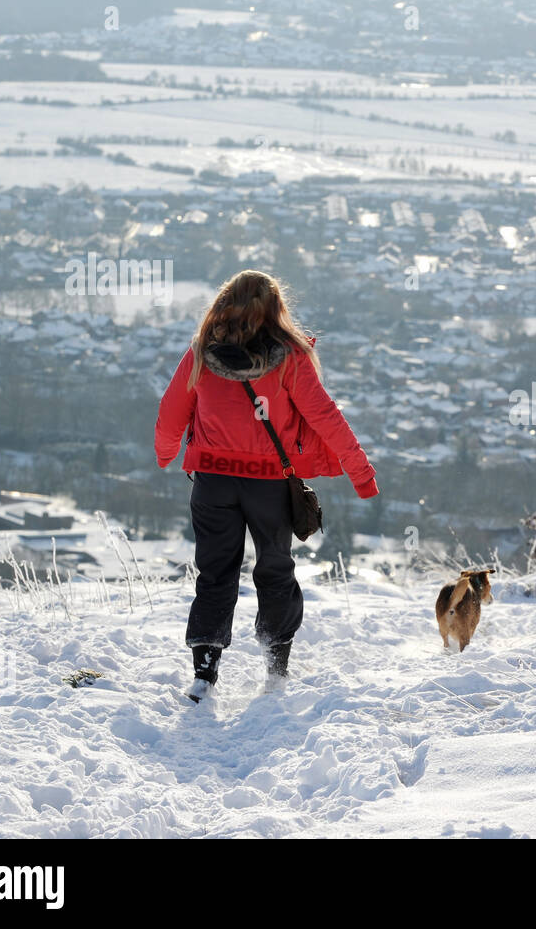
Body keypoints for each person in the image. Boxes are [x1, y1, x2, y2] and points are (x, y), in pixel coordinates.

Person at [154, 270, 378, 702]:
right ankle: (276, 665)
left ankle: (204, 670)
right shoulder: (290, 357)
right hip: (269, 485)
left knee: (215, 573)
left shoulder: (202, 352)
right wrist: (361, 474)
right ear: (276, 310)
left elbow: (171, 411)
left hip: (213, 482)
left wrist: (166, 454)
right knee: (275, 570)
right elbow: (325, 416)